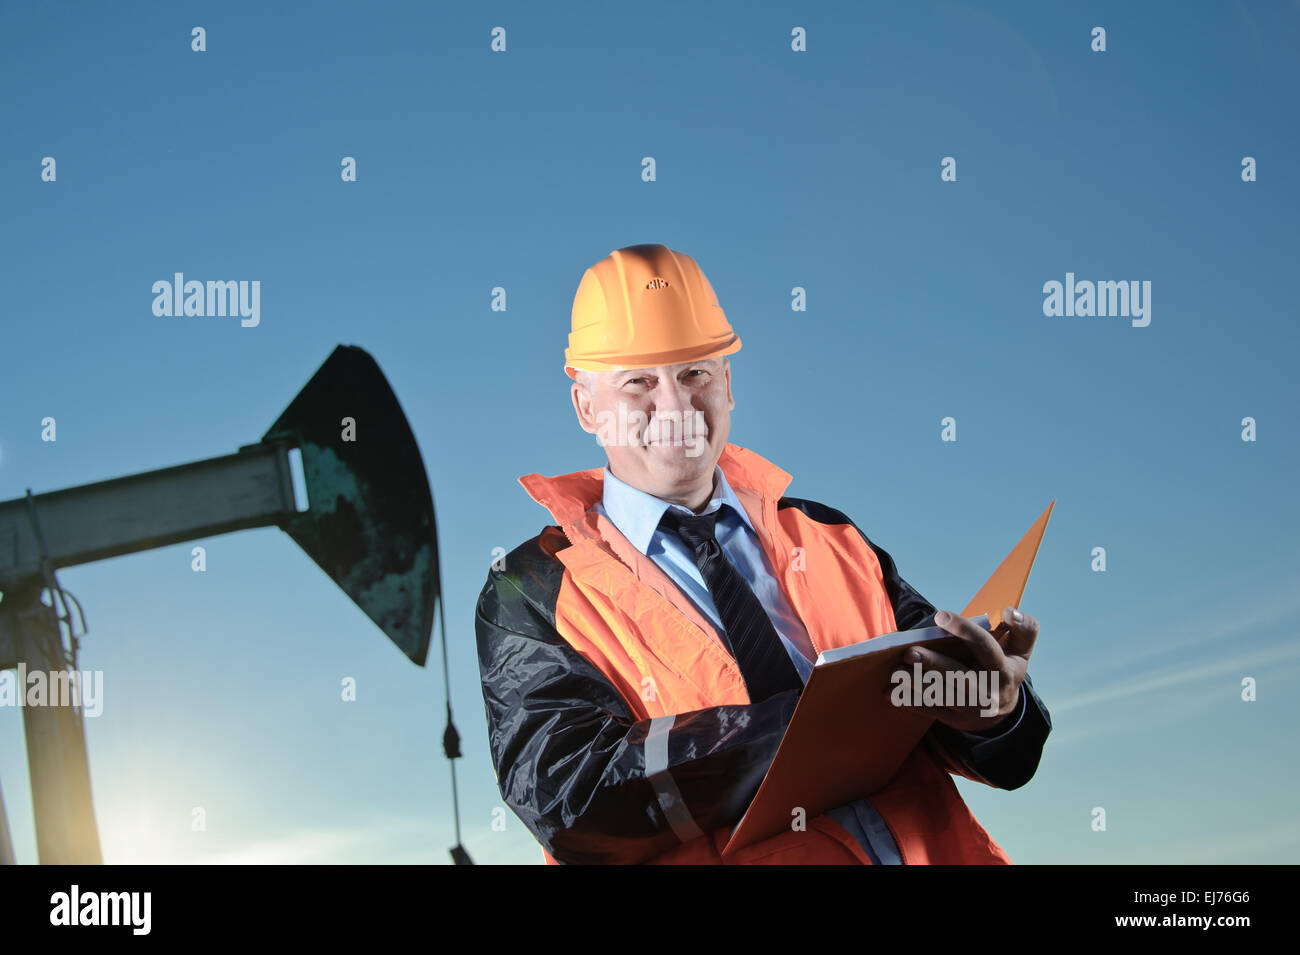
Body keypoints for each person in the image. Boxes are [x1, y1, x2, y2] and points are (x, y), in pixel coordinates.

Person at [474, 243, 1051, 865]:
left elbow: (975, 739)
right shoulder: (532, 590)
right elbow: (570, 802)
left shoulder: (828, 536)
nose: (675, 407)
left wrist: (997, 713)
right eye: (638, 382)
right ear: (586, 405)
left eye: (695, 373)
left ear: (727, 382)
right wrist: (808, 730)